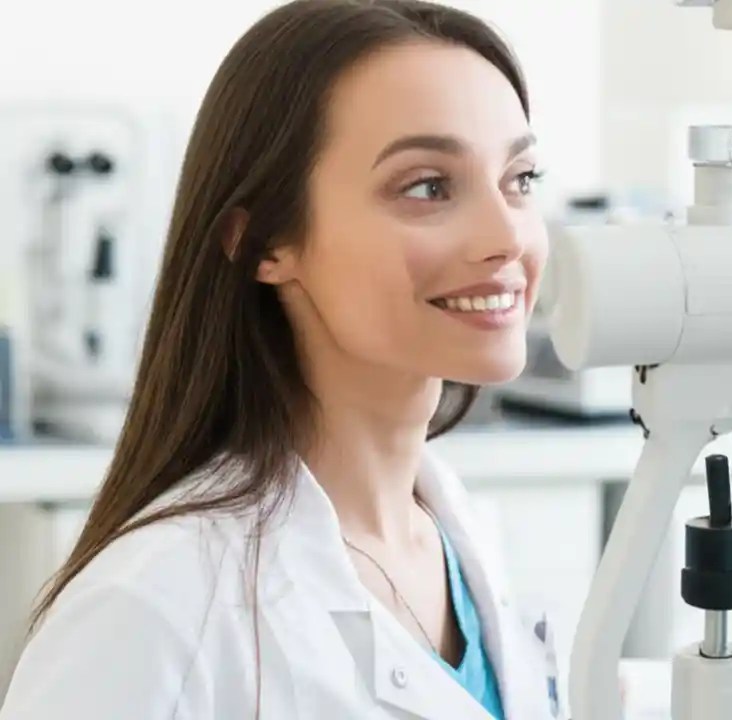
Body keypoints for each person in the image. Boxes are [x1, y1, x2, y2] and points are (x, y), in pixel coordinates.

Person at [0, 1, 559, 719]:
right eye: (427, 186)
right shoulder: (151, 608)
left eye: (520, 180)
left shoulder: (461, 539)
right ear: (265, 242)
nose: (505, 235)